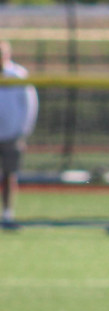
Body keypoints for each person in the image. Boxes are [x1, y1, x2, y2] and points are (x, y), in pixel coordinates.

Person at [0, 40, 38, 231]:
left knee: (9, 174)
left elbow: (30, 105)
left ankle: (7, 214)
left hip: (11, 134)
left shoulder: (18, 74)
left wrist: (23, 131)